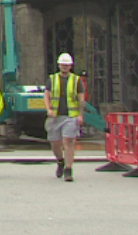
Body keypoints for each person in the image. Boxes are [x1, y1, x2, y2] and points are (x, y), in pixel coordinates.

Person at [43, 52, 87, 182]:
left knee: (68, 141)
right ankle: (60, 161)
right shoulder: (52, 79)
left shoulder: (76, 80)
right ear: (59, 65)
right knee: (55, 143)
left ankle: (68, 169)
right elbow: (46, 95)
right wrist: (48, 109)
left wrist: (80, 115)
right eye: (63, 64)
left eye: (67, 65)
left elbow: (81, 99)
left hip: (70, 116)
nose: (64, 67)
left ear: (71, 66)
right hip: (55, 116)